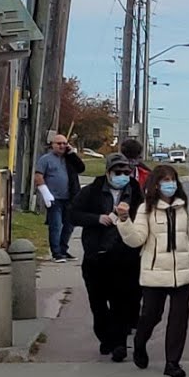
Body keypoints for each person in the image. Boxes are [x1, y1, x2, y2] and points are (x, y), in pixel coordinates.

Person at [116, 165, 189, 377]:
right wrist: (123, 220)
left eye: (173, 179)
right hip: (155, 272)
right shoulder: (145, 208)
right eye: (166, 180)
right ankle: (140, 342)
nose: (170, 184)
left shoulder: (184, 206)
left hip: (183, 272)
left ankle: (172, 363)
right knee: (151, 315)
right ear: (156, 184)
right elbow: (136, 239)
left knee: (179, 319)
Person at [69, 153, 145, 361]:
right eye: (118, 172)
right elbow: (73, 214)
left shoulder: (136, 193)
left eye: (126, 173)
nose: (122, 176)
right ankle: (106, 338)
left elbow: (144, 219)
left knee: (122, 303)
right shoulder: (91, 192)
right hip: (97, 256)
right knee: (98, 305)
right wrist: (96, 219)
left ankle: (119, 344)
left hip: (125, 258)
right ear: (108, 173)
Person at [34, 133, 85, 262]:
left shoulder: (69, 159)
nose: (62, 146)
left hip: (70, 198)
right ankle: (56, 252)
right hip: (54, 198)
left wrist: (72, 153)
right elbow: (38, 176)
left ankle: (63, 250)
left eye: (64, 143)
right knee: (56, 225)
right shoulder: (45, 159)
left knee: (69, 226)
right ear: (52, 145)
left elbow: (81, 168)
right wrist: (45, 193)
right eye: (59, 143)